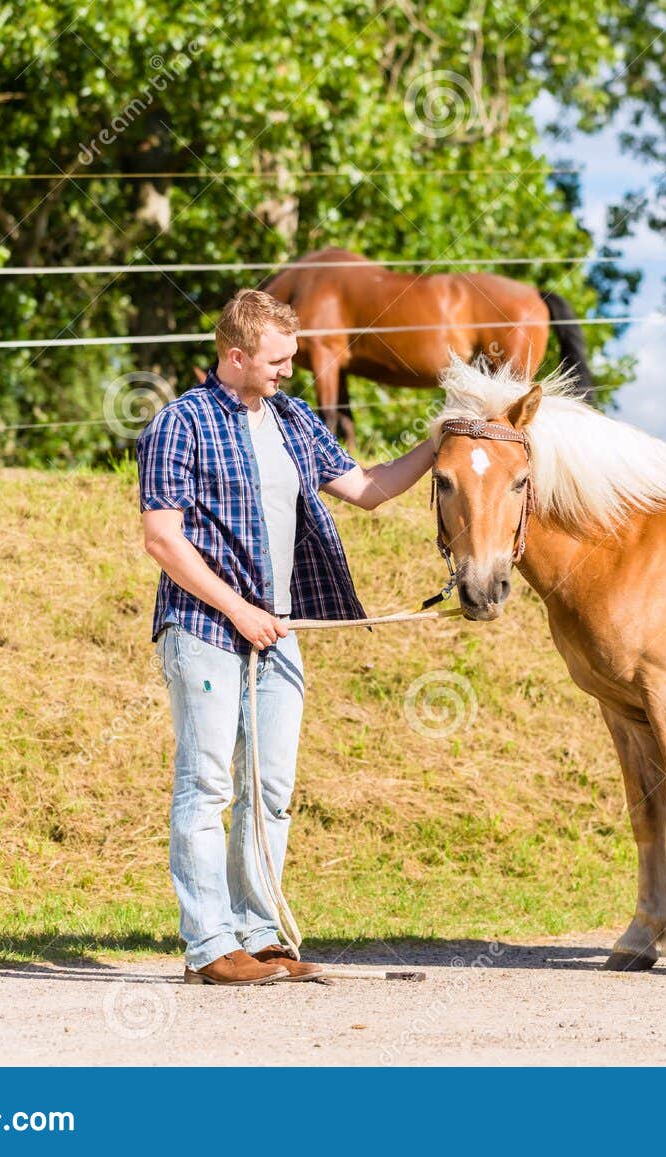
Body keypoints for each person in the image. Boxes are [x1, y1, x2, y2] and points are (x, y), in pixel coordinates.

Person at [138, 289, 437, 985]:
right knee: (207, 785)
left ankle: (259, 935)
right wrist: (239, 609)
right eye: (276, 361)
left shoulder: (294, 419)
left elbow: (369, 487)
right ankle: (210, 945)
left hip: (280, 635)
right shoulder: (178, 425)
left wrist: (437, 442)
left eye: (290, 360)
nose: (288, 373)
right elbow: (162, 539)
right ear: (234, 356)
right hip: (207, 629)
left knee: (269, 790)